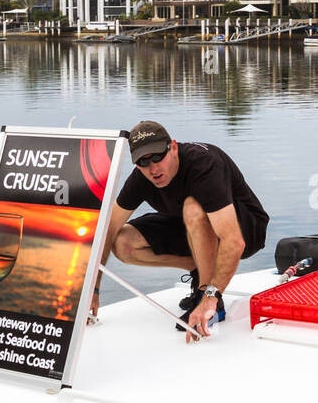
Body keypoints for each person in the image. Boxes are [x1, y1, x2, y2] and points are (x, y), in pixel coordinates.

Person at [94, 120, 268, 341]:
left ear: (173, 148)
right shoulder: (141, 179)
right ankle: (196, 268)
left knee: (193, 207)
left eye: (158, 156)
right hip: (191, 226)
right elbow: (107, 230)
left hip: (245, 228)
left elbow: (234, 241)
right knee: (123, 243)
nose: (153, 168)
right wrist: (93, 288)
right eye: (143, 161)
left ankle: (207, 298)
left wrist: (210, 297)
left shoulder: (203, 164)